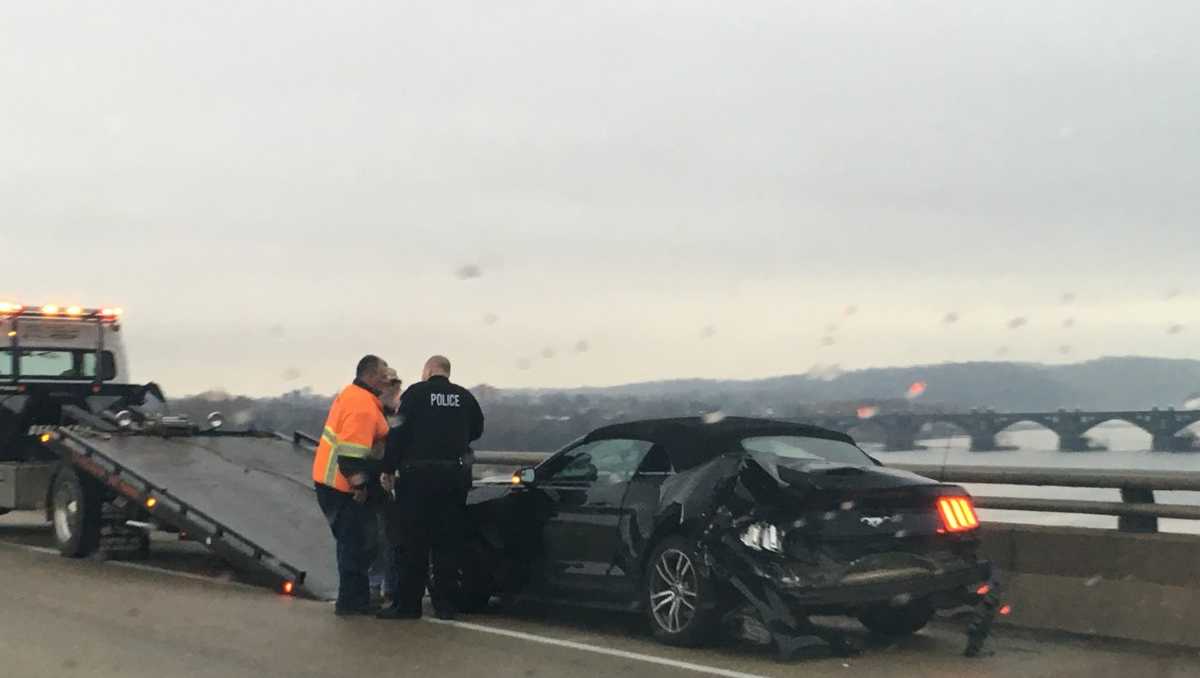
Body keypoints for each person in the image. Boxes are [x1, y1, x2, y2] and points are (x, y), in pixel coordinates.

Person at [377, 355, 484, 620]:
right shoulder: (464, 397)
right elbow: (477, 429)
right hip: (453, 479)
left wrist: (388, 468)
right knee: (447, 544)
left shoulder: (416, 394)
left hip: (417, 480)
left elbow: (397, 433)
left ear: (428, 370)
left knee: (413, 544)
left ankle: (408, 605)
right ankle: (445, 605)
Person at [312, 354, 392, 616]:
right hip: (342, 486)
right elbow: (350, 456)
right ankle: (351, 602)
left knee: (355, 543)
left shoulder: (355, 395)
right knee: (354, 544)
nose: (387, 379)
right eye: (383, 375)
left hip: (330, 481)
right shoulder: (363, 408)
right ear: (369, 376)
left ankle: (354, 600)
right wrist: (359, 487)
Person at [369, 368, 403, 605]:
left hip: (394, 484)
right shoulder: (372, 413)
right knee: (377, 538)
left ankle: (390, 587)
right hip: (373, 481)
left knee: (392, 538)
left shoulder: (401, 414)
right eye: (389, 384)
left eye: (395, 384)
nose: (393, 388)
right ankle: (374, 586)